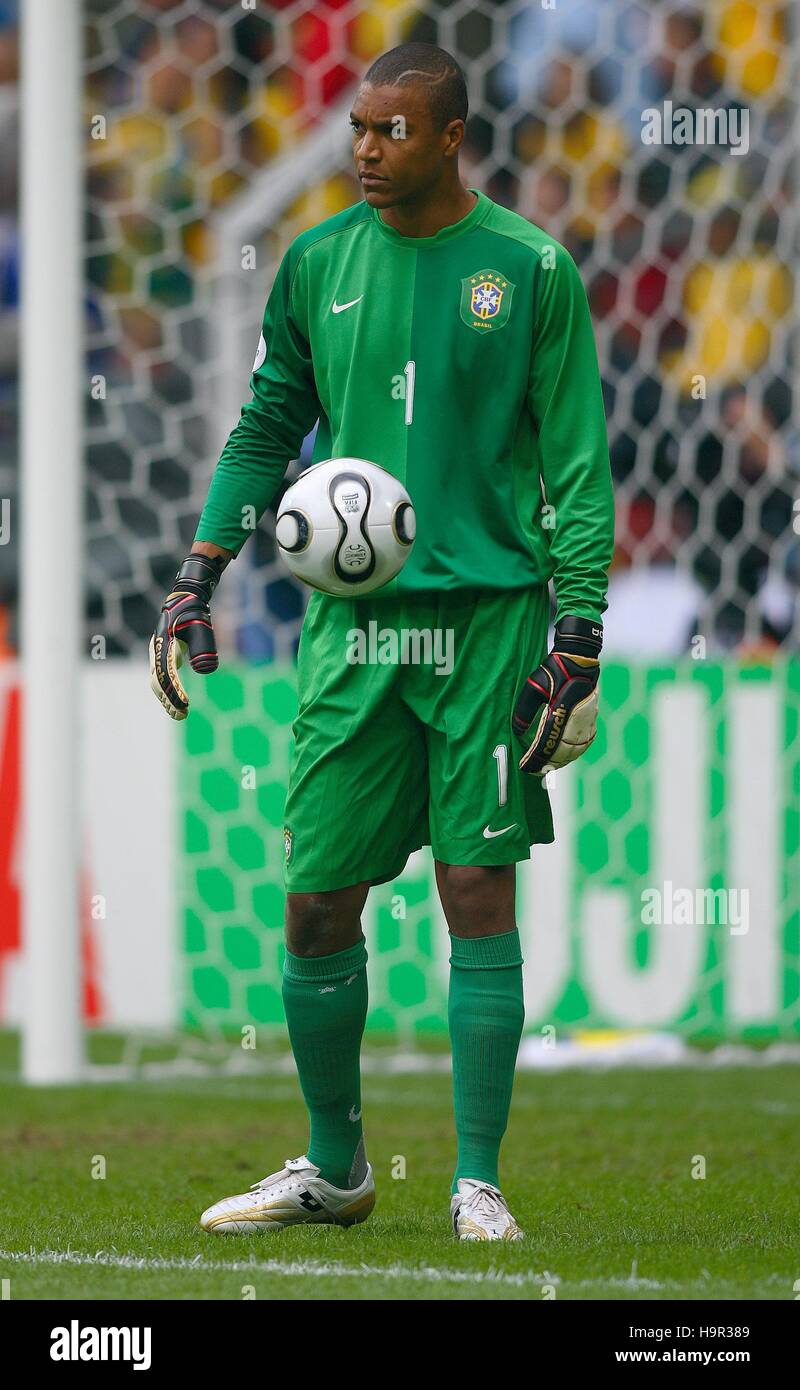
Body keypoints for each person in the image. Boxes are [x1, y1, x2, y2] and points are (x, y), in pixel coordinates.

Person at [150, 42, 614, 1241]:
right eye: (357, 126)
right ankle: (333, 1166)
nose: (364, 147)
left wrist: (579, 632)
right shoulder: (314, 264)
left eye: (391, 131)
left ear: (451, 136)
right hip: (353, 635)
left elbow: (572, 458)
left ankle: (475, 1179)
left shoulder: (527, 269)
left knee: (474, 887)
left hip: (487, 624)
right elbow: (265, 429)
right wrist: (198, 572)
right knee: (313, 904)